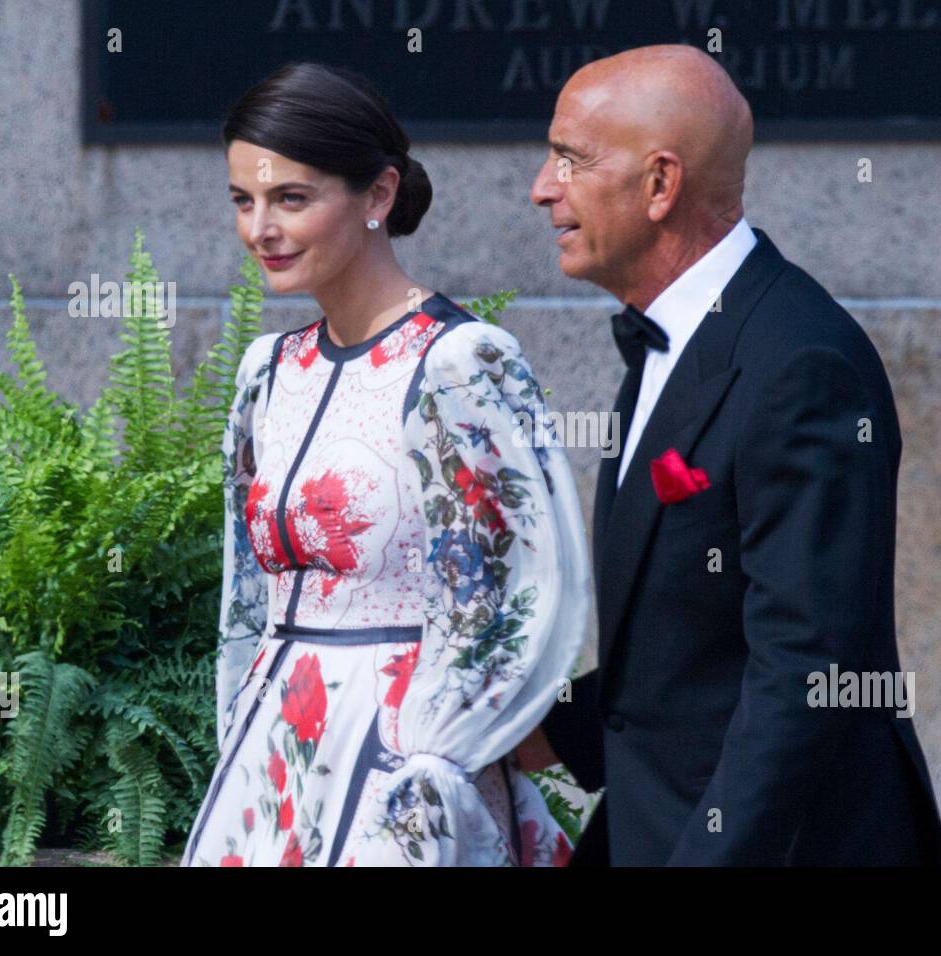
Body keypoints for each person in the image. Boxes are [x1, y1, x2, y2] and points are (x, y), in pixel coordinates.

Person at [516, 45, 941, 865]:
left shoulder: (800, 363)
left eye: (568, 158)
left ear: (659, 184)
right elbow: (689, 652)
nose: (543, 187)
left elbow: (804, 675)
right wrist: (517, 732)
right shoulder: (678, 338)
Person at [181, 62, 592, 866]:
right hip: (276, 760)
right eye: (243, 200)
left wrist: (439, 762)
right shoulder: (267, 372)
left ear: (377, 196)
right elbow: (247, 599)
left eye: (291, 198)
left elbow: (512, 596)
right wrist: (241, 731)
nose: (260, 227)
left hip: (411, 772)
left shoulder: (461, 363)